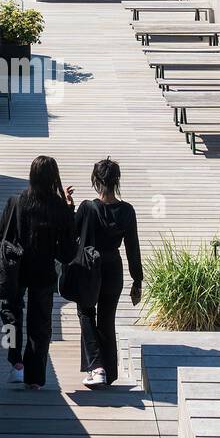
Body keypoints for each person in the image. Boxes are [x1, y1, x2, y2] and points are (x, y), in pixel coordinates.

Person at [0, 155, 76, 389]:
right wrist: (69, 211)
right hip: (44, 273)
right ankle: (36, 378)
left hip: (15, 271)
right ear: (54, 177)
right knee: (40, 325)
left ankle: (15, 361)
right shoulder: (59, 208)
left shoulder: (16, 201)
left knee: (10, 315)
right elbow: (68, 253)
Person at [75, 158, 142, 388]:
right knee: (107, 319)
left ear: (96, 180)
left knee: (85, 312)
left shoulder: (87, 208)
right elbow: (133, 247)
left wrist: (66, 205)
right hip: (114, 268)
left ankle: (97, 367)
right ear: (117, 181)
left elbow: (69, 234)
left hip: (90, 269)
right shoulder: (127, 211)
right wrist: (137, 280)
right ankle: (108, 373)